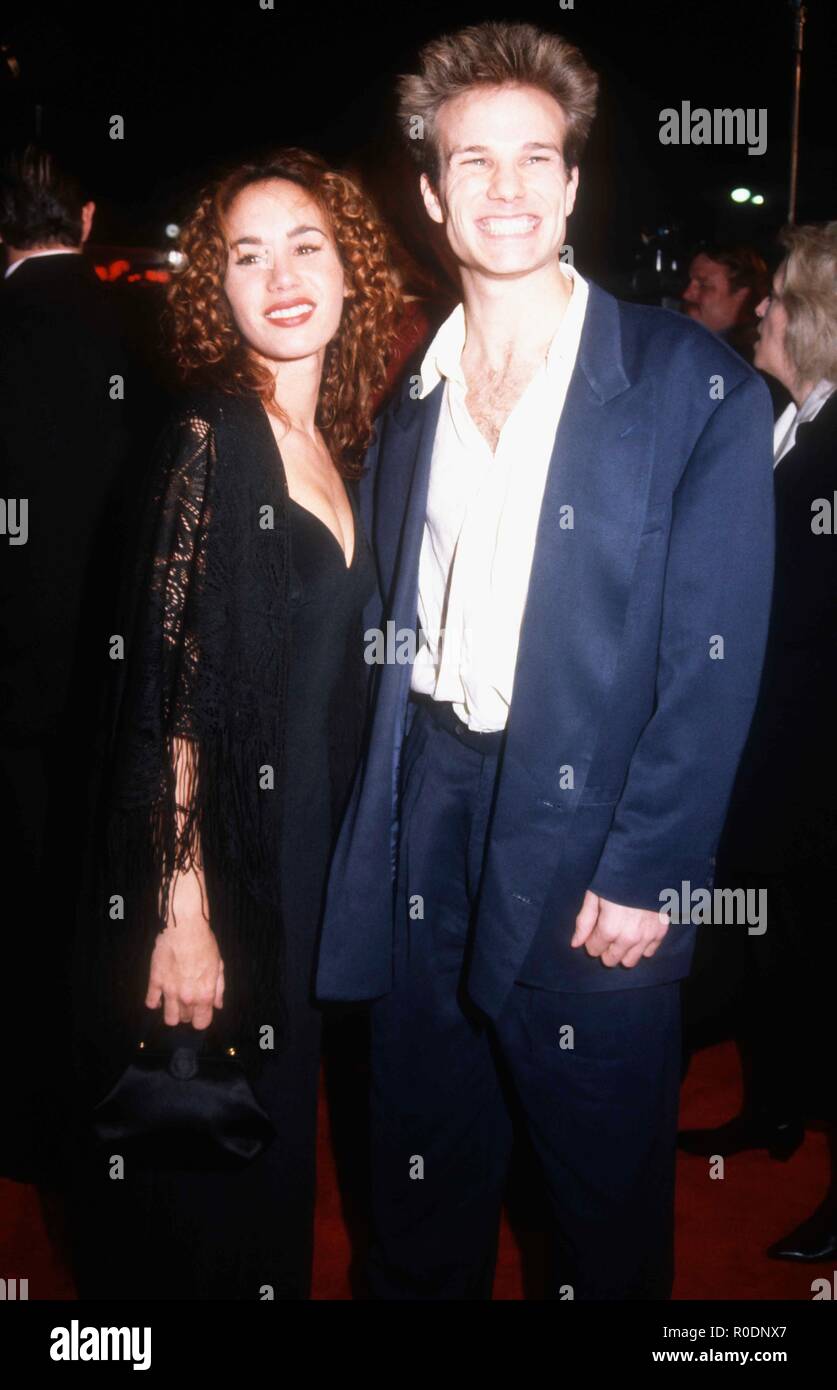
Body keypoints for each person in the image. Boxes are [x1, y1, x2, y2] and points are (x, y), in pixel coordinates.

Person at [315, 21, 775, 1300]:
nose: (507, 187)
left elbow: (714, 661)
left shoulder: (697, 391)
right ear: (432, 195)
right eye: (474, 162)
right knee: (421, 1169)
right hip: (428, 815)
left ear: (573, 185)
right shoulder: (416, 394)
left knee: (598, 1205)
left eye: (537, 158)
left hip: (595, 843)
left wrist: (651, 869)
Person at [70, 149, 399, 1299]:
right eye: (247, 254)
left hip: (310, 862)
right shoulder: (211, 438)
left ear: (353, 267)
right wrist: (181, 907)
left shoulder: (341, 443)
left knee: (274, 1149)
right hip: (228, 873)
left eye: (307, 244)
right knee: (212, 1171)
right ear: (219, 287)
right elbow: (170, 695)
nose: (283, 274)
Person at [679, 223, 837, 1263]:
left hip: (815, 772)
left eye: (780, 295)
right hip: (774, 765)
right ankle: (775, 1110)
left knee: (825, 971)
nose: (763, 308)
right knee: (776, 959)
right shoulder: (792, 418)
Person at [0, 146, 132, 1183]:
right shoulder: (146, 329)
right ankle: (99, 1108)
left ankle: (24, 1121)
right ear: (85, 218)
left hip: (11, 687)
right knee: (103, 904)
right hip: (119, 676)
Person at [681, 243, 789, 415]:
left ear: (741, 294)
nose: (687, 294)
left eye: (703, 285)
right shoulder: (688, 345)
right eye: (689, 282)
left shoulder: (755, 364)